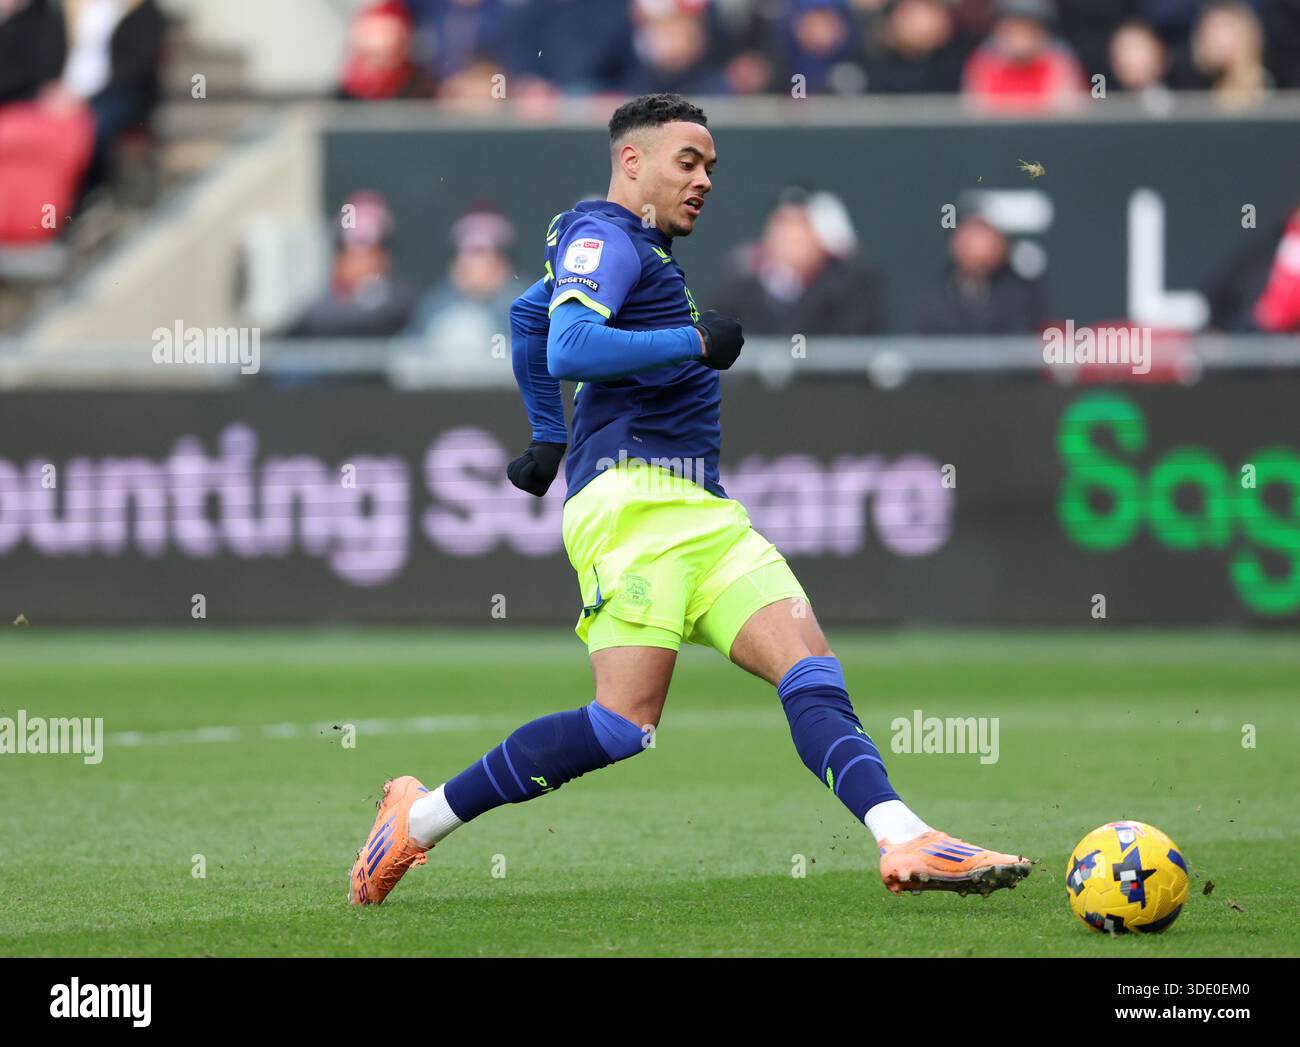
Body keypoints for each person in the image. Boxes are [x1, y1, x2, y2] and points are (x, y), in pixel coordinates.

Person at [348, 93, 1031, 906]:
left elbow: (531, 318)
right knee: (620, 726)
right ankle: (414, 821)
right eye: (688, 161)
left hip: (703, 507)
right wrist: (693, 341)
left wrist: (546, 434)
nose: (705, 179)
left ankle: (904, 836)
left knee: (811, 670)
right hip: (633, 503)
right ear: (631, 161)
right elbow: (567, 341)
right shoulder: (604, 233)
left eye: (711, 165)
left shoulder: (628, 245)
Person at [711, 186, 886, 335]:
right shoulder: (741, 290)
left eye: (802, 227)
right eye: (784, 226)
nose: (792, 238)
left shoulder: (850, 289)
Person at [917, 213, 1046, 334]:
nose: (979, 247)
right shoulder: (936, 295)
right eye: (969, 240)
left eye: (988, 237)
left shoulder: (1018, 292)